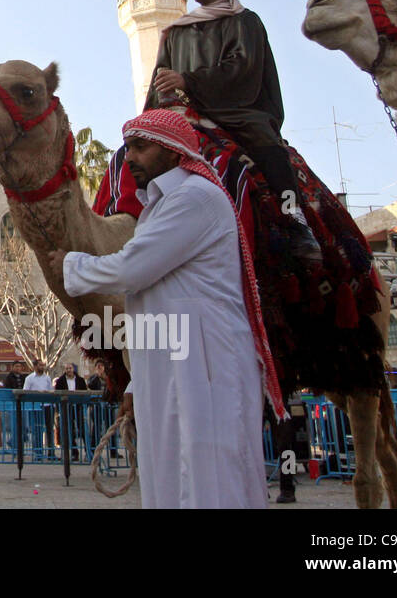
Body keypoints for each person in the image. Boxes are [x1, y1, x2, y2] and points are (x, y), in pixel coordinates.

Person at [50, 110, 283, 508]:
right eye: (127, 149)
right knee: (170, 477)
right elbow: (152, 299)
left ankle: (293, 219)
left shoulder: (195, 197)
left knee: (211, 480)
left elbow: (133, 268)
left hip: (205, 361)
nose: (130, 159)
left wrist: (71, 265)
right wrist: (135, 384)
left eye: (141, 147)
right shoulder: (160, 207)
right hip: (173, 360)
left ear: (175, 151)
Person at [144, 0, 321, 264]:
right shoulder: (175, 33)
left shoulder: (245, 22)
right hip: (183, 116)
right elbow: (158, 83)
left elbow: (244, 70)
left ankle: (295, 223)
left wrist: (188, 81)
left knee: (267, 145)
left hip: (237, 110)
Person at [54, 362, 89, 457]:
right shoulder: (60, 381)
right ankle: (74, 452)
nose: (69, 370)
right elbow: (57, 393)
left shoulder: (80, 380)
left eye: (70, 368)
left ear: (73, 369)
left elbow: (85, 392)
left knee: (82, 429)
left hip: (78, 407)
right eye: (67, 369)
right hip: (66, 407)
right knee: (70, 430)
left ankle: (88, 451)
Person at [23, 361, 55, 457]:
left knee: (49, 429)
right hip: (35, 407)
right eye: (40, 365)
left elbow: (51, 390)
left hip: (47, 405)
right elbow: (25, 391)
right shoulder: (29, 378)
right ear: (35, 366)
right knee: (37, 429)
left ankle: (51, 452)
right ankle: (38, 452)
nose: (42, 367)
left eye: (43, 365)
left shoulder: (47, 378)